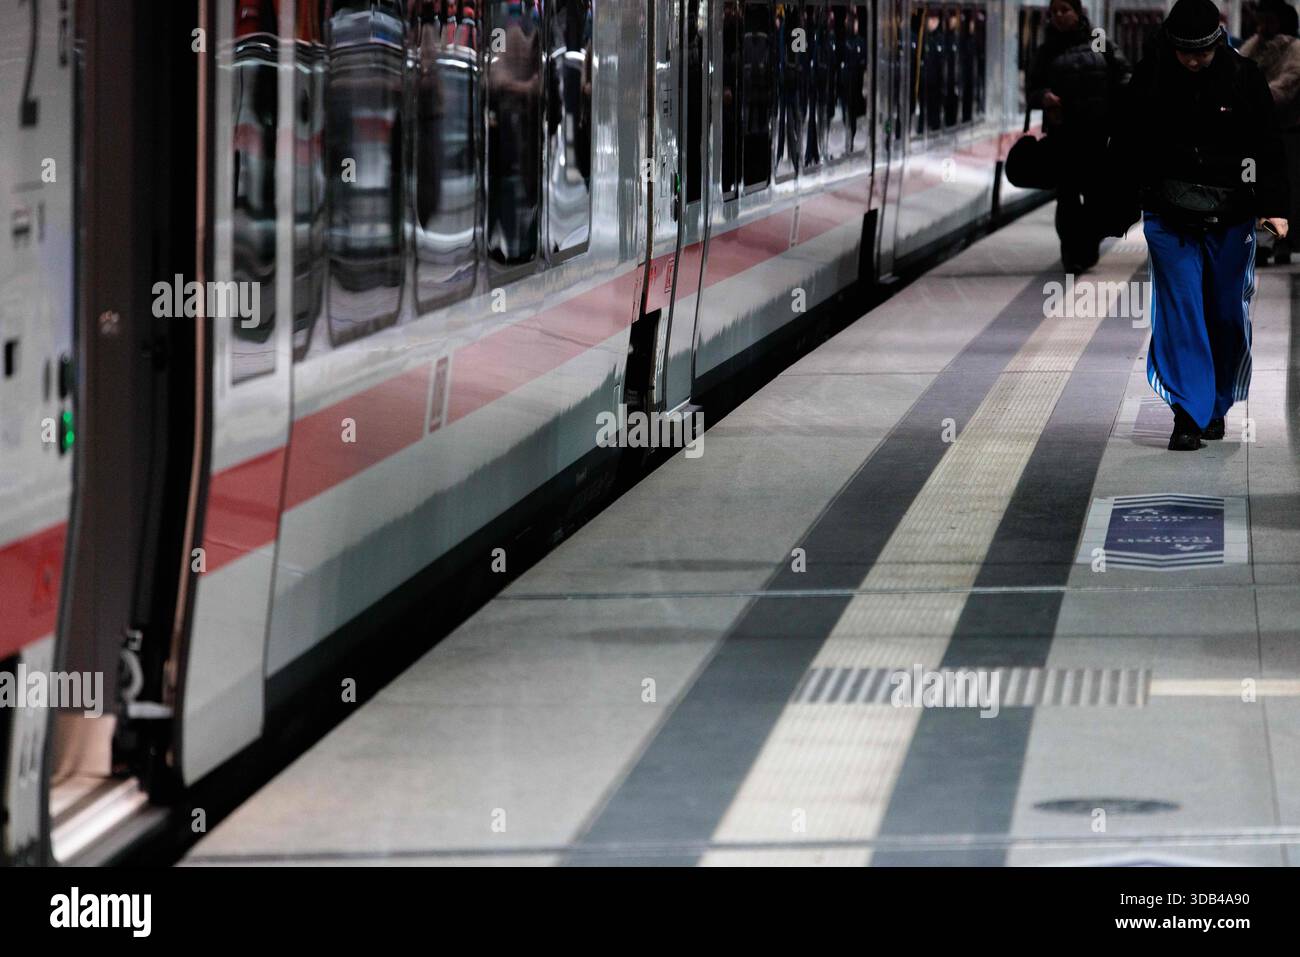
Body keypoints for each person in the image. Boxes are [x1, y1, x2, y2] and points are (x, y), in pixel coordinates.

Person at [1105, 0, 1291, 451]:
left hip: (1233, 217)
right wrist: (1118, 205)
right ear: (1171, 45)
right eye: (1185, 52)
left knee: (1226, 310)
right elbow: (1125, 143)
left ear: (1218, 40)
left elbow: (1268, 146)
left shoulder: (1245, 78)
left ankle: (1216, 404)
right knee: (1181, 310)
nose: (1194, 61)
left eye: (1203, 52)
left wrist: (1275, 207)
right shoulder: (1150, 79)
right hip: (1170, 216)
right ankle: (1188, 412)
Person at [1026, 0, 1131, 273]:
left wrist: (1120, 105)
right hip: (1064, 136)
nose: (1059, 17)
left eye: (1065, 10)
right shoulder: (1048, 48)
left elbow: (1122, 73)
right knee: (1068, 198)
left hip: (1098, 136)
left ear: (1078, 12)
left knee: (1098, 198)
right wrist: (1044, 97)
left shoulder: (1097, 40)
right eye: (1055, 12)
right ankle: (1071, 253)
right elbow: (1032, 88)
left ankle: (1087, 245)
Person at [1239, 0, 1300, 264]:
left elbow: (1288, 83)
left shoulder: (1295, 49)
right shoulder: (1252, 48)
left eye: (1268, 20)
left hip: (1288, 128)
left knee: (1286, 188)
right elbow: (1236, 74)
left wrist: (1255, 98)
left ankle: (1282, 241)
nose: (1263, 25)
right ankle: (1263, 241)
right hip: (1256, 129)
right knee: (1258, 187)